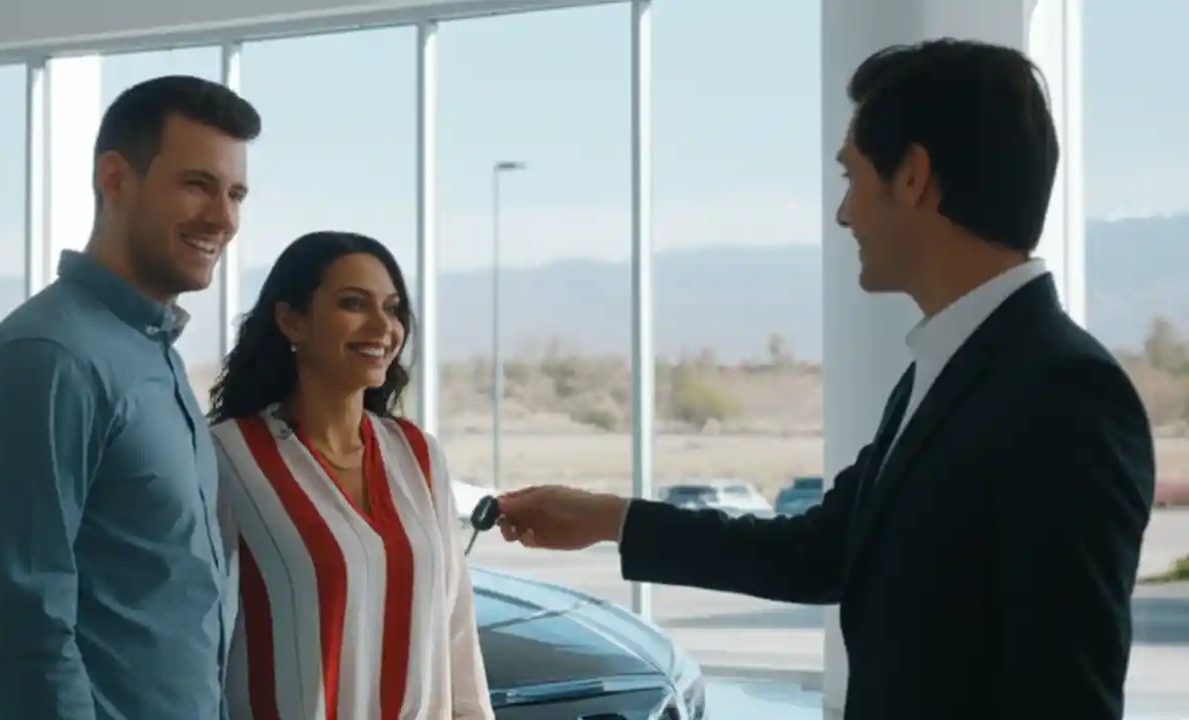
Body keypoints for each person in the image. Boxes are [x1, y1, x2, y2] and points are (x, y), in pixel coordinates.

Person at [495, 38, 1156, 720]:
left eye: (850, 177)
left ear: (913, 176)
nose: (843, 214)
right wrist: (610, 519)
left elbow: (1067, 696)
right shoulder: (947, 370)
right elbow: (823, 552)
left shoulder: (1064, 396)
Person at [0, 75, 260, 720]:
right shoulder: (46, 359)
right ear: (116, 179)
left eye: (235, 194)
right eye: (197, 185)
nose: (224, 219)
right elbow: (20, 629)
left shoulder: (155, 355)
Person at [207, 231, 494, 720]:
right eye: (354, 304)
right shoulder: (229, 456)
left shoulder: (418, 456)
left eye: (392, 308)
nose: (383, 326)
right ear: (291, 321)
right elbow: (196, 640)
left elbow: (457, 636)